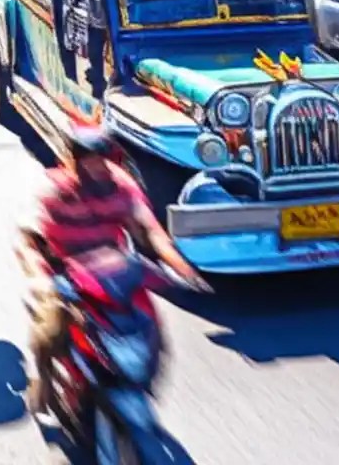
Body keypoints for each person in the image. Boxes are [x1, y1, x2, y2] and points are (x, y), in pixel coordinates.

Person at [17, 126, 208, 416]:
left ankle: (138, 383)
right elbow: (30, 238)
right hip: (64, 275)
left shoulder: (123, 188)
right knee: (51, 330)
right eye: (86, 159)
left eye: (99, 158)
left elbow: (149, 230)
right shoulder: (55, 191)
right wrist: (43, 279)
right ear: (72, 160)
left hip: (111, 276)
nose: (95, 165)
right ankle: (43, 380)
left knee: (151, 328)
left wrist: (180, 267)